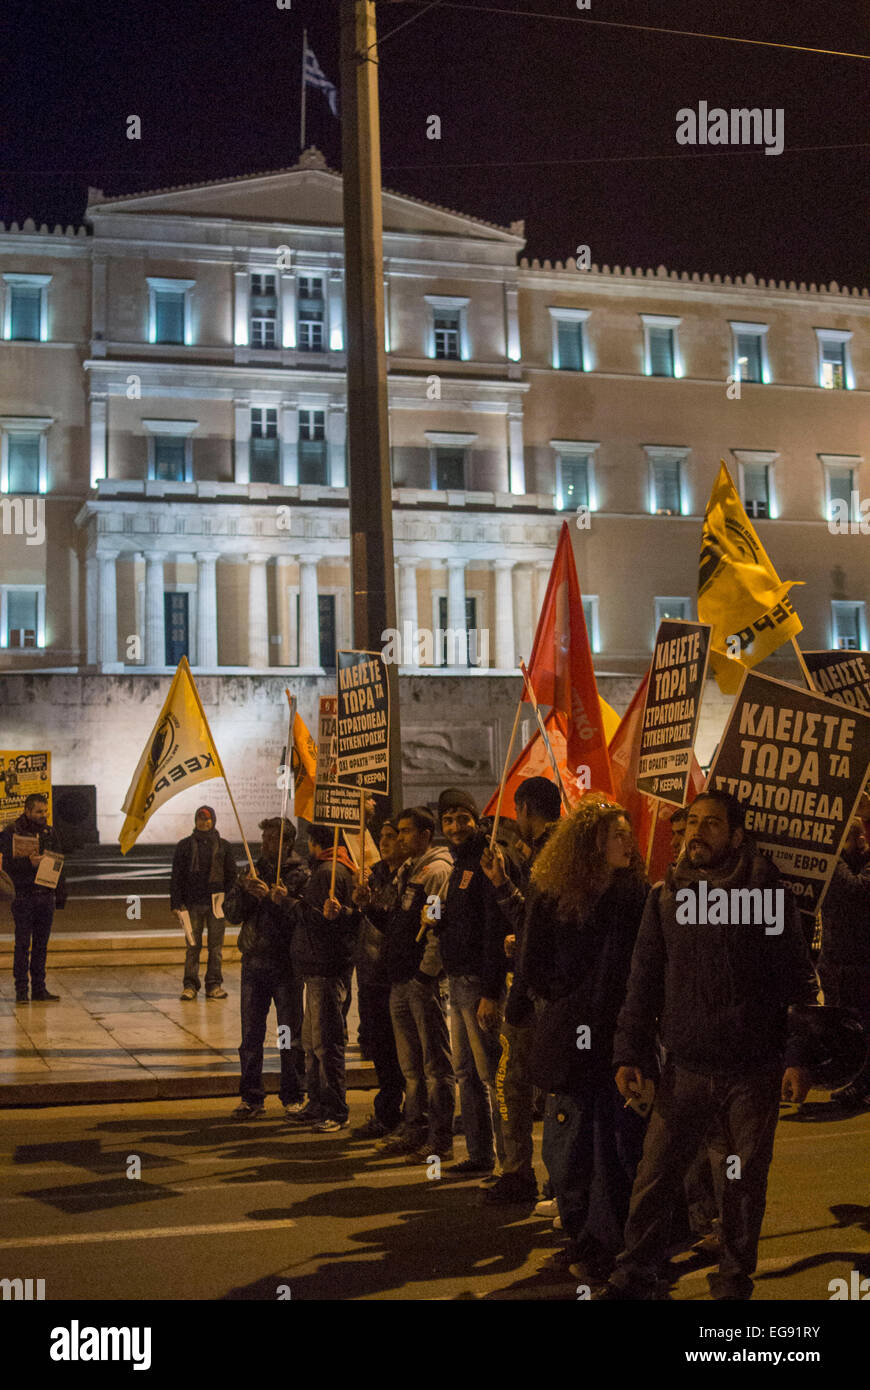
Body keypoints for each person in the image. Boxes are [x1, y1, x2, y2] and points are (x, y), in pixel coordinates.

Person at [599, 790, 819, 1301]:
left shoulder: (767, 896)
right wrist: (629, 1052)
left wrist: (798, 1057)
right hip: (686, 1071)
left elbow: (797, 984)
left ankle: (732, 1284)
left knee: (740, 1188)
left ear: (737, 836)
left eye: (713, 825)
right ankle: (633, 1276)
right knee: (654, 1180)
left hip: (752, 1075)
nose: (697, 833)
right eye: (692, 822)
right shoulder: (666, 896)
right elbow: (643, 981)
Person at [519, 797, 650, 1280]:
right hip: (571, 1039)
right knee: (568, 1146)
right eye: (617, 835)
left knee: (615, 1148)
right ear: (591, 843)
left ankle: (606, 1244)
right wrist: (569, 996)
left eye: (627, 835)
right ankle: (580, 1235)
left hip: (618, 1038)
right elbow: (533, 964)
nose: (627, 843)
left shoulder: (637, 894)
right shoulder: (554, 894)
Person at [480, 776, 562, 1205]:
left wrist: (525, 945)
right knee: (518, 1082)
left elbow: (546, 928)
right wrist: (501, 885)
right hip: (538, 990)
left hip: (543, 994)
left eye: (517, 810)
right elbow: (533, 922)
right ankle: (526, 1174)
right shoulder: (547, 856)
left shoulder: (555, 856)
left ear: (526, 808)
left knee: (531, 1085)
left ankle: (549, 1180)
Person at [357, 807, 456, 1163]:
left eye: (406, 831)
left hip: (420, 982)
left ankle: (439, 1137)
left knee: (434, 1065)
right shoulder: (410, 870)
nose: (399, 838)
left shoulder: (436, 871)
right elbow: (399, 922)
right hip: (399, 979)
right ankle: (414, 1128)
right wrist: (369, 907)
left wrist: (425, 975)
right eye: (397, 831)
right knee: (411, 1067)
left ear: (426, 835)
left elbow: (435, 928)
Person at [435, 788, 518, 1179]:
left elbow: (493, 929)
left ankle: (510, 1163)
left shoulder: (487, 858)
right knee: (465, 1073)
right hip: (457, 981)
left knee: (491, 1075)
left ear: (475, 818)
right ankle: (479, 1153)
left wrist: (490, 992)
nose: (455, 826)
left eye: (461, 817)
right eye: (448, 820)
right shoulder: (459, 862)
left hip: (477, 984)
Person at [223, 818, 307, 1118]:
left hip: (286, 965)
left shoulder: (300, 873)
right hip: (254, 963)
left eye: (272, 838)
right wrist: (247, 892)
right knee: (251, 1034)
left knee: (288, 1034)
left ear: (287, 843)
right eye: (264, 837)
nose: (265, 843)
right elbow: (230, 912)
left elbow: (302, 918)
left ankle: (293, 1094)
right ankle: (251, 1097)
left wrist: (274, 899)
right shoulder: (251, 870)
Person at [289, 822, 358, 1132]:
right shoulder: (337, 868)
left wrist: (286, 902)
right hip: (320, 966)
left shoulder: (328, 872)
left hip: (324, 967)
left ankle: (335, 1109)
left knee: (325, 1042)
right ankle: (317, 1104)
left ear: (314, 842)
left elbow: (316, 918)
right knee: (313, 1040)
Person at [351, 818, 408, 1139]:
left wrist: (370, 906)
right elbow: (365, 922)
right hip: (370, 974)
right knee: (382, 1052)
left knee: (406, 1054)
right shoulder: (374, 876)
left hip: (395, 976)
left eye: (392, 836)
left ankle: (412, 1118)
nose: (385, 842)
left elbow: (396, 923)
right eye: (382, 837)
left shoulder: (409, 877)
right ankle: (386, 1115)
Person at [818, 817, 870, 1108]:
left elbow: (853, 892)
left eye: (845, 840)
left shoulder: (859, 866)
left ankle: (865, 1082)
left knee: (864, 1025)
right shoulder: (844, 865)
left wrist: (831, 858)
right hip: (835, 961)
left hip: (861, 964)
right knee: (845, 1027)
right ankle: (853, 1076)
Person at [0, 793, 67, 1003]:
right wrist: (30, 864)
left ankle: (39, 988)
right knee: (22, 944)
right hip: (23, 895)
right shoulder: (12, 832)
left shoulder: (49, 832)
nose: (43, 815)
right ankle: (22, 990)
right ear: (27, 811)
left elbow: (60, 862)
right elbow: (7, 866)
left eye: (45, 811)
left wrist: (61, 893)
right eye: (39, 811)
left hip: (44, 895)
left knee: (41, 944)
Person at [170, 806, 238, 1001]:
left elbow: (231, 877)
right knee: (193, 946)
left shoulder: (224, 846)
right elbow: (177, 877)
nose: (204, 823)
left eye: (207, 819)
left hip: (217, 904)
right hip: (192, 904)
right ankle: (190, 985)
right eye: (200, 819)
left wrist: (229, 901)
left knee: (215, 947)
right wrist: (176, 903)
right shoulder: (184, 846)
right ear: (195, 821)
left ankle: (214, 984)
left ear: (213, 821)